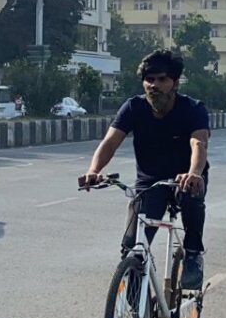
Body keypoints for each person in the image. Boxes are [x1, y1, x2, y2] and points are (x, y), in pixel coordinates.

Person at [80, 50, 210, 290]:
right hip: (150, 183)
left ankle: (192, 255)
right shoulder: (133, 107)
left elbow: (198, 143)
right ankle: (136, 316)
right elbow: (110, 142)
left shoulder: (193, 109)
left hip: (185, 178)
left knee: (191, 198)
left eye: (162, 79)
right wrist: (94, 169)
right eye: (150, 80)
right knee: (132, 248)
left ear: (175, 82)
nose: (155, 85)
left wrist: (194, 173)